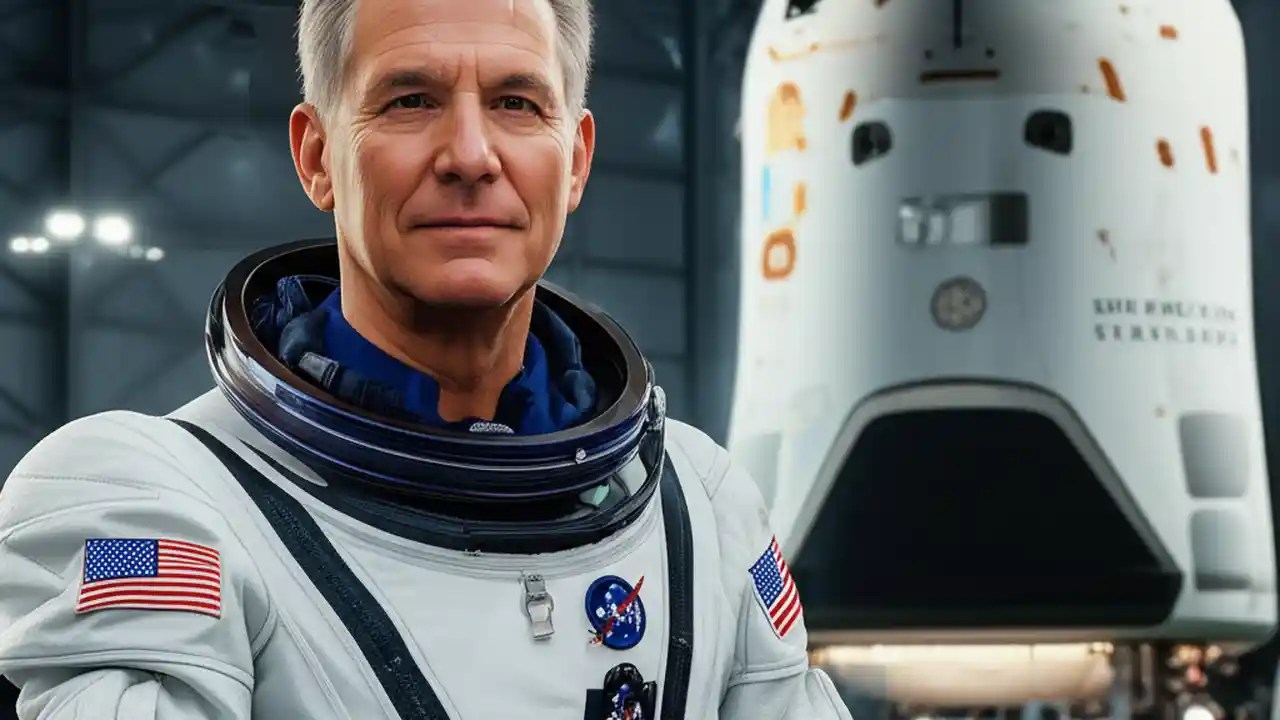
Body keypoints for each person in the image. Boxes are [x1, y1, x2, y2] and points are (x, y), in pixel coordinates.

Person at [0, 0, 853, 717]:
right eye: (410, 100)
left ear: (578, 160)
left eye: (519, 104)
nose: (472, 157)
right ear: (317, 155)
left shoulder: (700, 508)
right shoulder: (150, 503)